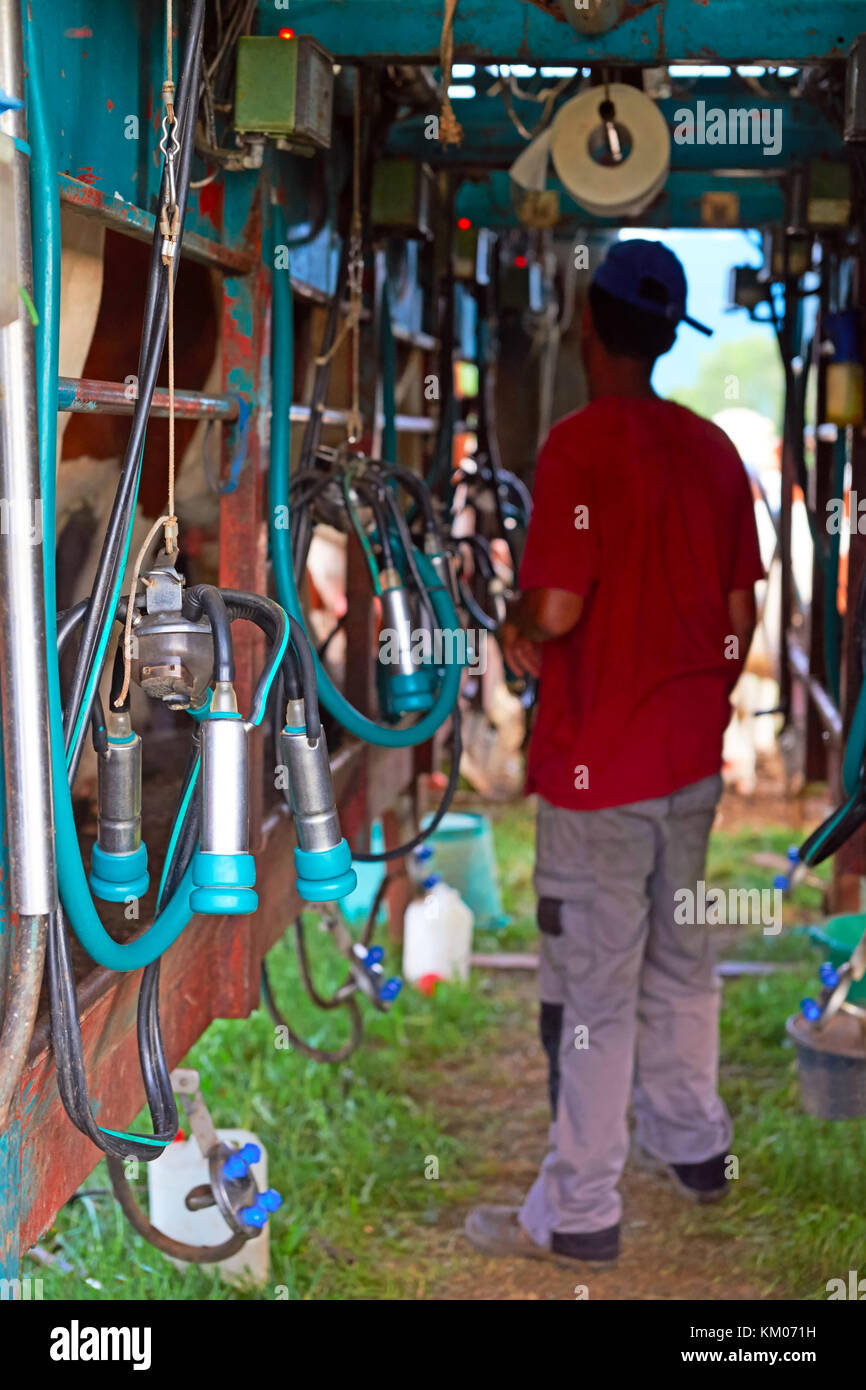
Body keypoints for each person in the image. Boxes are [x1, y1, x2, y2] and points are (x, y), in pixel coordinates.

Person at [464, 239, 764, 1270]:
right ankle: (694, 1148)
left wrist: (516, 626)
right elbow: (739, 610)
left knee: (592, 987)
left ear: (587, 326)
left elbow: (555, 603)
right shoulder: (712, 451)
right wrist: (700, 696)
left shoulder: (577, 448)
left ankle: (582, 1204)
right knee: (682, 957)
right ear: (664, 336)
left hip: (598, 773)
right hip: (687, 765)